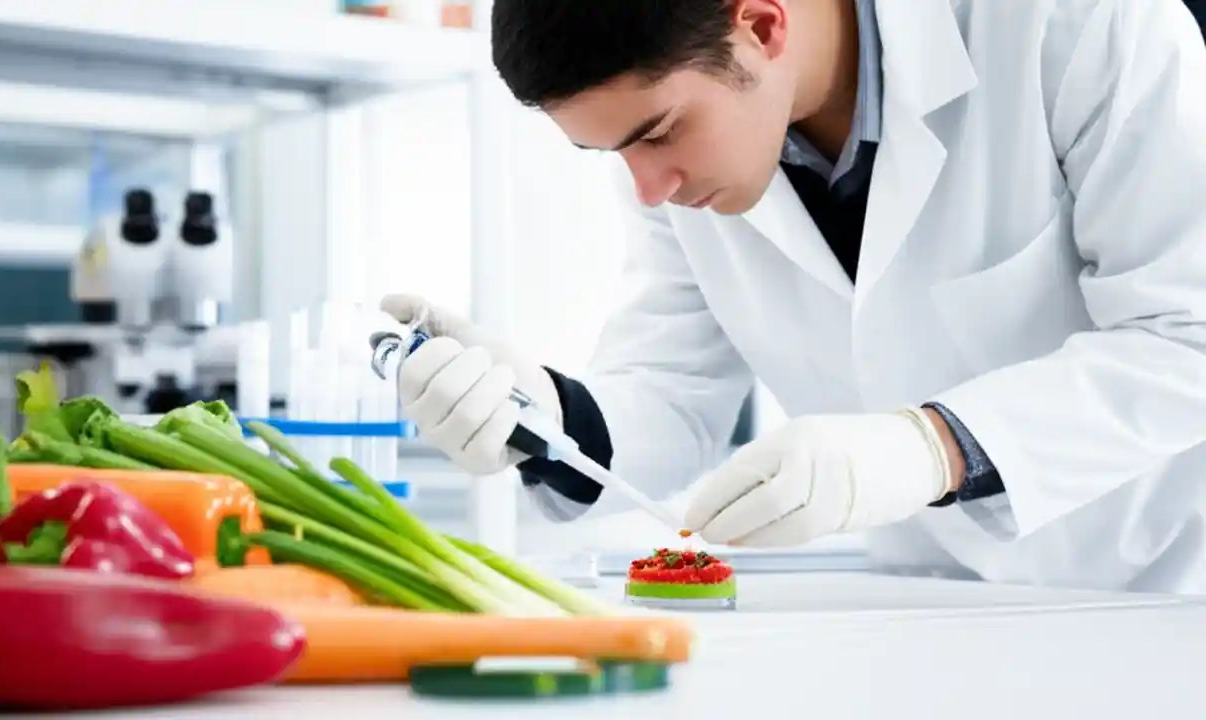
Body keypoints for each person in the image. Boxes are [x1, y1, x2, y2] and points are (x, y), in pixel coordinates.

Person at [382, 0, 1206, 594]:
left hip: (1159, 588)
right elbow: (671, 393)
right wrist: (543, 418)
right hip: (932, 603)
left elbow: (1186, 337)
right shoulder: (682, 167)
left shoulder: (1079, 24)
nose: (648, 188)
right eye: (613, 153)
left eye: (659, 132)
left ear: (763, 25)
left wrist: (929, 449)